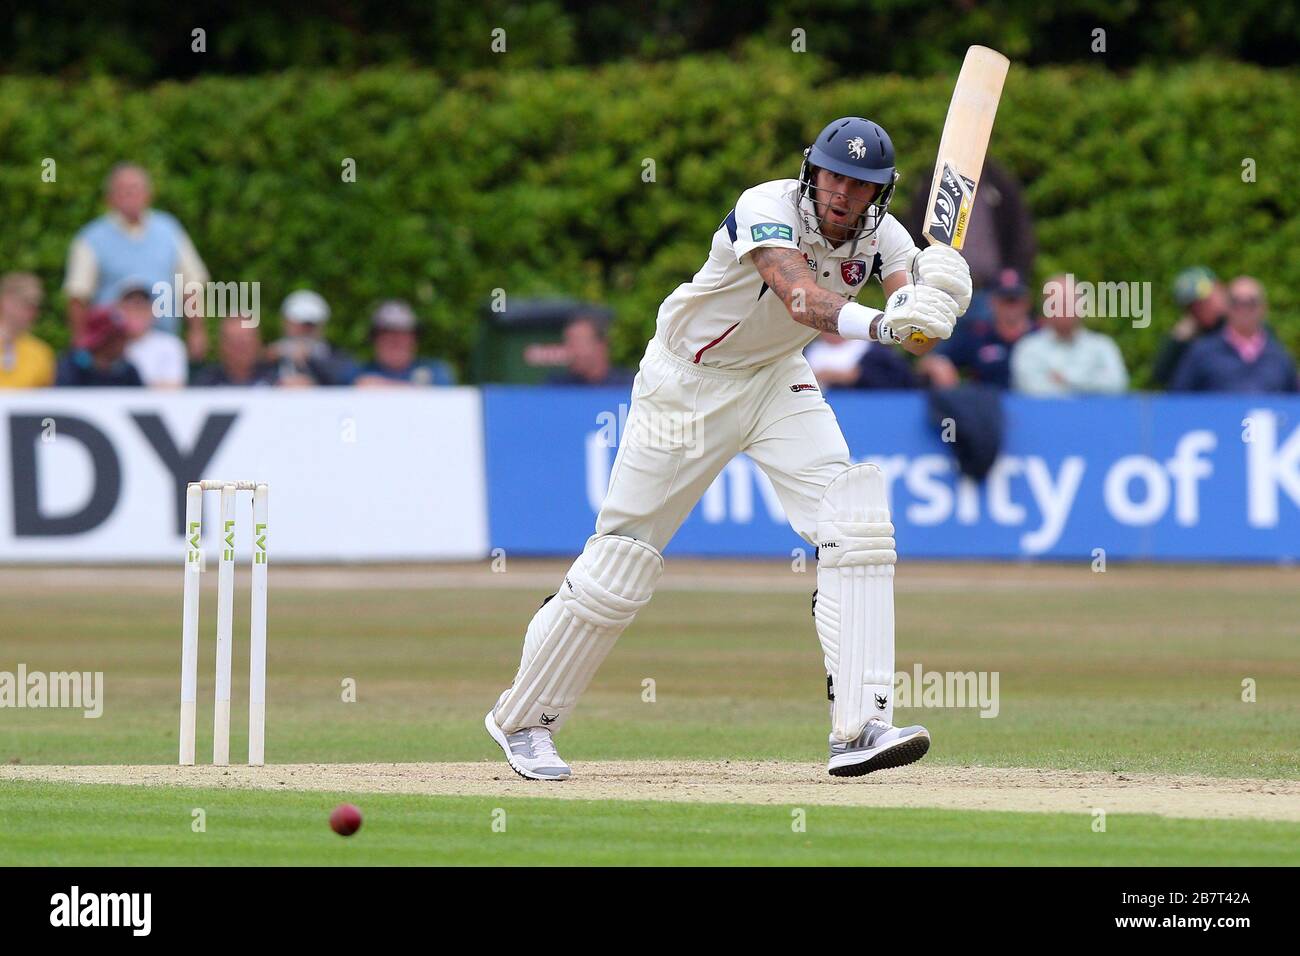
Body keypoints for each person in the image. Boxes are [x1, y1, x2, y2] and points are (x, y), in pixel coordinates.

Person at [485, 116, 970, 781]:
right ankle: (524, 720)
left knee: (855, 523)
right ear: (811, 171)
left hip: (776, 379)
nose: (843, 196)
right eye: (833, 176)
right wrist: (890, 322)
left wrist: (940, 296)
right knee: (621, 566)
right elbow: (801, 298)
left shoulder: (885, 237)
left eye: (861, 187)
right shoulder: (764, 207)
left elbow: (916, 326)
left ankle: (862, 727)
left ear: (878, 193)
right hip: (685, 385)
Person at [63, 164, 209, 358]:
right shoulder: (91, 238)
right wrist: (81, 342)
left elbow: (190, 286)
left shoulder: (169, 230)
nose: (130, 194)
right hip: (111, 350)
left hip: (162, 344)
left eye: (135, 188)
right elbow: (78, 295)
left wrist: (197, 330)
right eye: (123, 190)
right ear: (109, 198)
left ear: (148, 194)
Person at [1170, 276, 1297, 393]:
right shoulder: (1202, 353)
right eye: (1236, 302)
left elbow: (1292, 405)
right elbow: (1178, 400)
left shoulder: (1280, 357)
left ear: (1263, 307)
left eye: (1251, 302)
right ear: (1226, 307)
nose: (1244, 309)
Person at [1011, 274, 1128, 395]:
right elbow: (1031, 389)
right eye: (1056, 303)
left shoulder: (1103, 347)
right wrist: (1088, 384)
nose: (1064, 308)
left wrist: (1067, 379)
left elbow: (1117, 385)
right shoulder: (1028, 349)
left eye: (1070, 302)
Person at [920, 268, 1034, 389]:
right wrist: (938, 366)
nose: (1010, 307)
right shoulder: (978, 335)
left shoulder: (1040, 335)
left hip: (1035, 405)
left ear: (1027, 302)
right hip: (987, 404)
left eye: (1015, 300)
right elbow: (930, 360)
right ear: (992, 302)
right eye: (1005, 300)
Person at [1152, 267, 1229, 388]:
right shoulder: (1187, 342)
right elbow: (1160, 377)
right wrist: (1177, 341)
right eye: (1195, 305)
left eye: (1206, 299)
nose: (1203, 307)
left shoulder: (1245, 327)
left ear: (1220, 288)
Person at [265, 290, 357, 386]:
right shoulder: (271, 355)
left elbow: (344, 379)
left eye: (311, 325)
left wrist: (311, 359)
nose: (305, 329)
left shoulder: (336, 356)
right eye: (299, 323)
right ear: (285, 322)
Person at [117, 277, 187, 387]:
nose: (134, 313)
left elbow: (174, 388)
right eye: (128, 307)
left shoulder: (170, 345)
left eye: (140, 307)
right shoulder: (108, 346)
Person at [55, 306, 143, 387]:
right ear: (101, 341)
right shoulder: (71, 367)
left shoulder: (128, 371)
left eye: (123, 337)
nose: (122, 343)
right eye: (114, 338)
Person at [0, 272, 56, 388]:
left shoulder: (41, 352)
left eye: (36, 306)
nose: (32, 312)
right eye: (26, 303)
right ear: (5, 301)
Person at [545, 313, 634, 386]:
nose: (570, 351)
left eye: (577, 343)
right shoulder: (557, 388)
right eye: (567, 344)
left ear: (601, 345)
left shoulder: (628, 386)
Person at [191, 316, 279, 386]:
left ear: (258, 342)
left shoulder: (276, 378)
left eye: (246, 342)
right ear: (221, 345)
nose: (241, 350)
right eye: (234, 342)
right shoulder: (205, 382)